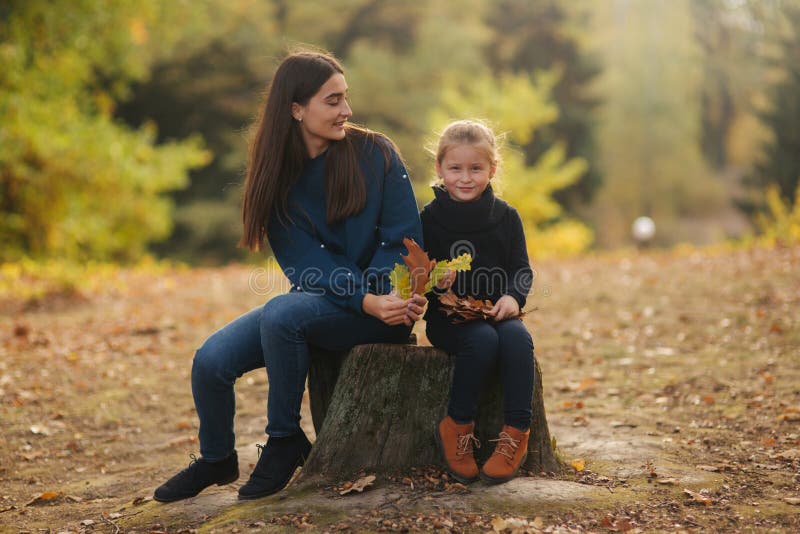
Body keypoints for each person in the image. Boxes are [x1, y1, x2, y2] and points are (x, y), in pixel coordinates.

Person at [153, 50, 426, 502]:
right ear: (296, 109)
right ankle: (217, 458)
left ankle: (283, 439)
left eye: (346, 98)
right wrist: (358, 298)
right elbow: (307, 265)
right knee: (211, 362)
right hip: (327, 303)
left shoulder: (375, 152)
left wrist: (376, 300)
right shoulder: (275, 177)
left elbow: (400, 242)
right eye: (333, 100)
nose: (347, 111)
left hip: (385, 308)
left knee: (283, 312)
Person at [421, 119, 535, 485]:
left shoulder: (506, 217)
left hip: (497, 312)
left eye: (476, 168)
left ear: (492, 169)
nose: (465, 178)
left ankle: (516, 432)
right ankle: (458, 426)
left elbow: (521, 269)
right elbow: (415, 276)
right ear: (439, 168)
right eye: (455, 168)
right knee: (483, 341)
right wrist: (435, 281)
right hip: (450, 320)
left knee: (517, 339)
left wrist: (513, 298)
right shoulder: (429, 219)